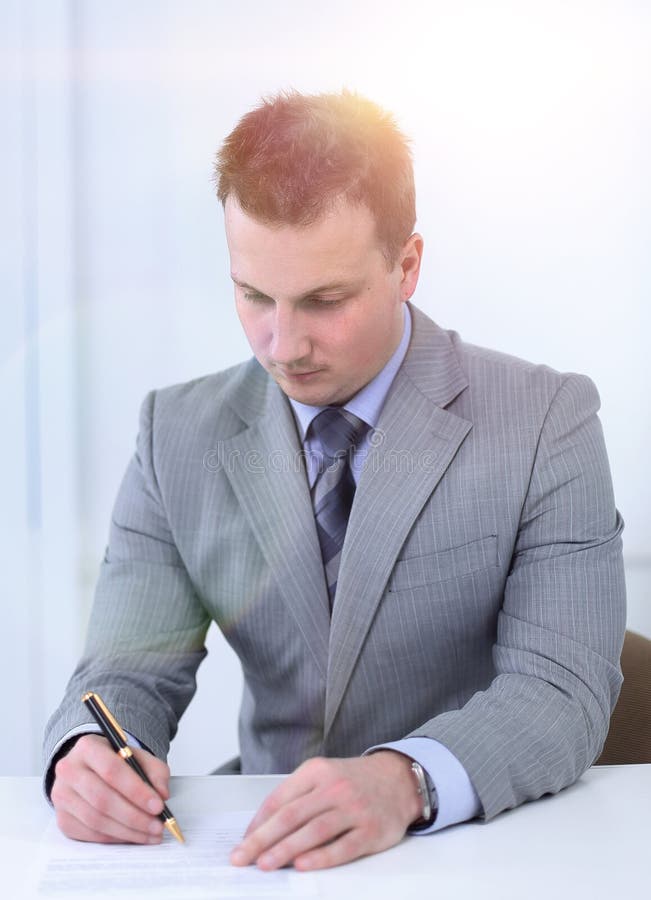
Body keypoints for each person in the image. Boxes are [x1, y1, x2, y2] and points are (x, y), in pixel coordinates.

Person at [44, 90, 626, 871]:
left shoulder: (544, 420)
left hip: (485, 850)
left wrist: (404, 779)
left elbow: (560, 692)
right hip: (263, 850)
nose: (281, 345)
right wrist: (89, 753)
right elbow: (125, 671)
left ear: (407, 265)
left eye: (325, 301)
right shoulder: (174, 434)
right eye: (253, 295)